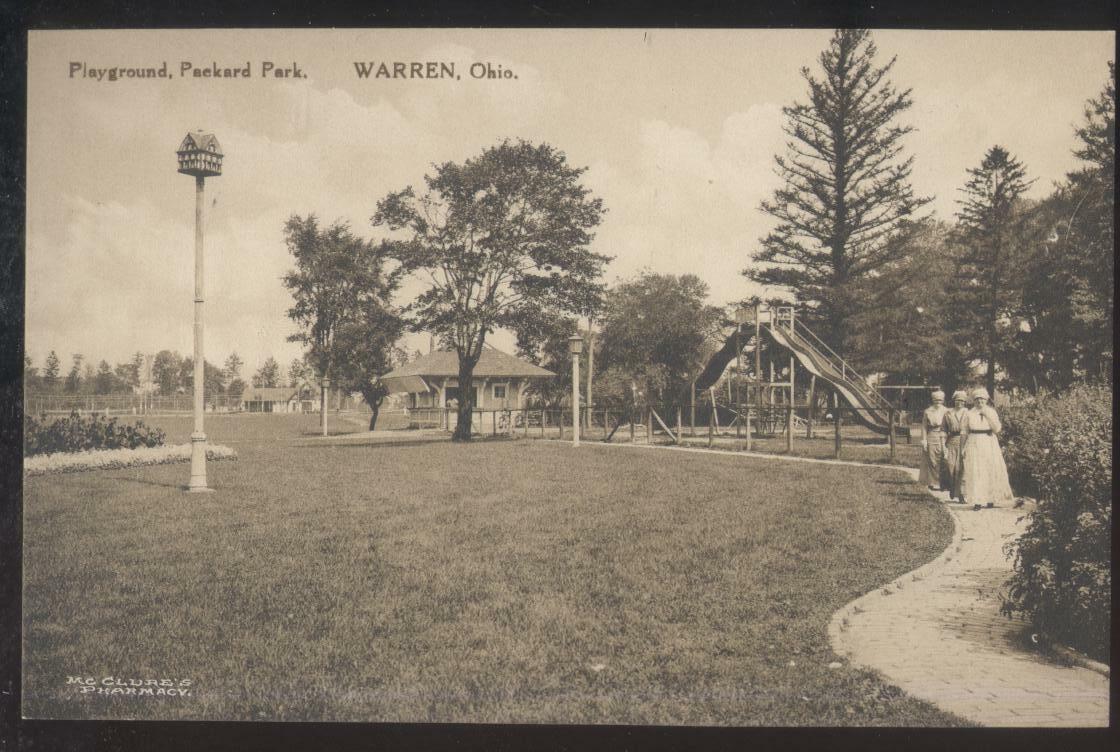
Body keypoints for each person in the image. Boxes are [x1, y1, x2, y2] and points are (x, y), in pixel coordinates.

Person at [960, 387, 1014, 509]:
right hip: (974, 442)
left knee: (990, 469)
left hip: (989, 442)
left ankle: (991, 499)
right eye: (977, 400)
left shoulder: (991, 412)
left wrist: (987, 416)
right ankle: (977, 501)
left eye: (982, 400)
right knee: (976, 470)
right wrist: (962, 448)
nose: (980, 402)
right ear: (973, 401)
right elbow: (964, 432)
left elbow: (997, 429)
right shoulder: (969, 413)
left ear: (986, 400)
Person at [940, 390, 969, 503]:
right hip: (951, 441)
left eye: (962, 400)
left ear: (965, 402)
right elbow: (943, 430)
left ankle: (960, 494)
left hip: (964, 441)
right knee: (950, 467)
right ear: (954, 401)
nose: (959, 402)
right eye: (957, 400)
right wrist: (943, 446)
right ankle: (952, 488)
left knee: (961, 469)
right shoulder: (948, 413)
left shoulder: (968, 413)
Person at [918, 389, 948, 490]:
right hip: (931, 435)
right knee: (931, 459)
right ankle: (932, 482)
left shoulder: (946, 411)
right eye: (935, 400)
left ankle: (942, 482)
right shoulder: (928, 411)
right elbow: (924, 426)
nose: (938, 402)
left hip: (943, 436)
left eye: (940, 400)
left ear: (943, 400)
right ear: (932, 400)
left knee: (943, 458)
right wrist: (924, 440)